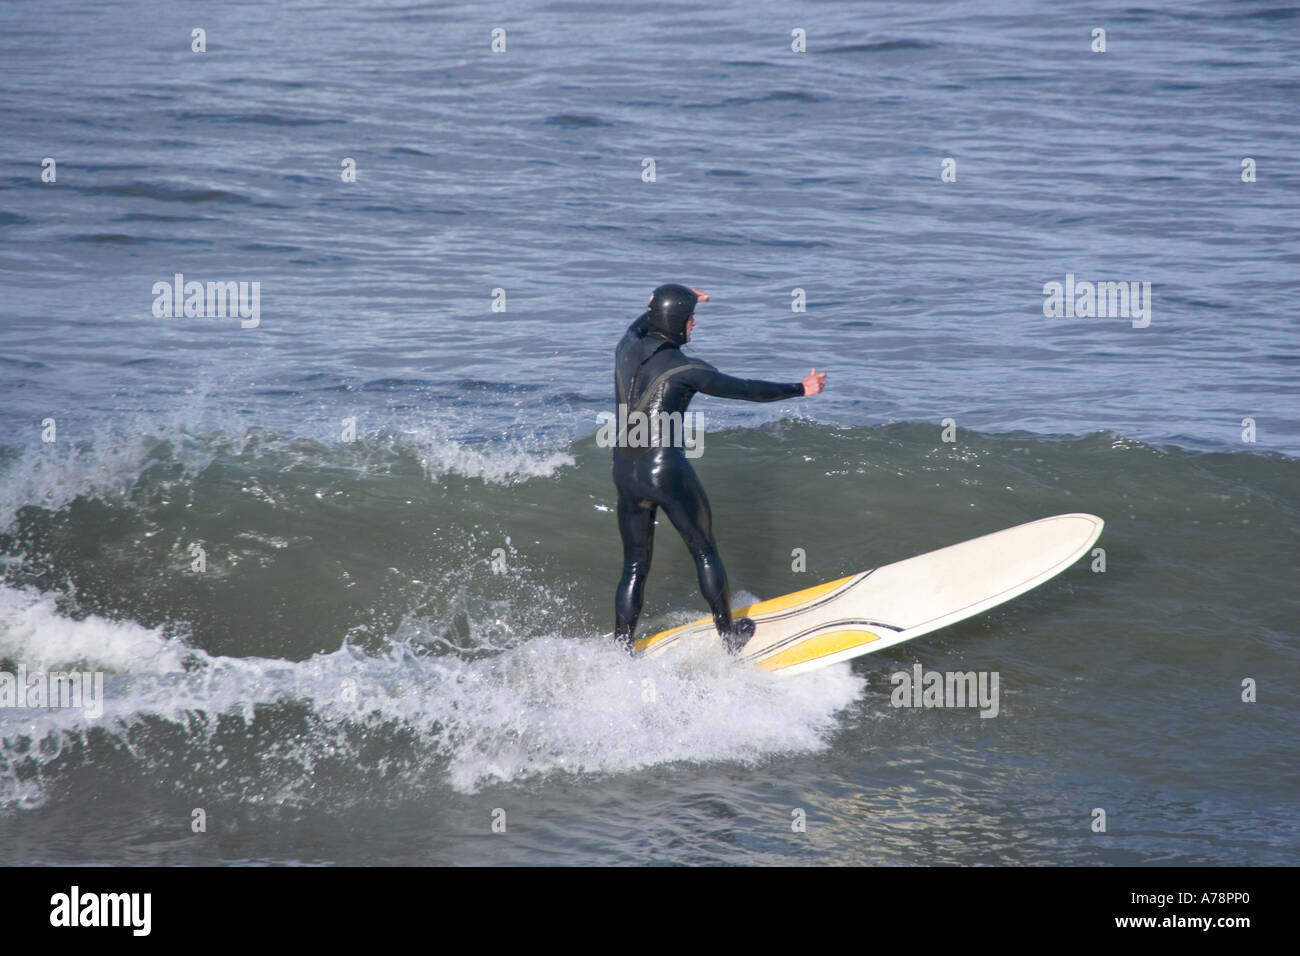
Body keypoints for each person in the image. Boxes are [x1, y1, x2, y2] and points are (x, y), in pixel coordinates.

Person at [612, 283, 826, 654]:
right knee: (704, 550)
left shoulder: (626, 347)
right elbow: (744, 388)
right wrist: (800, 388)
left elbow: (642, 321)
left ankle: (620, 648)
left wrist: (668, 299)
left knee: (634, 566)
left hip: (624, 470)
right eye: (690, 317)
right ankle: (729, 635)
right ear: (676, 322)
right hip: (664, 469)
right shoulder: (687, 368)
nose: (694, 324)